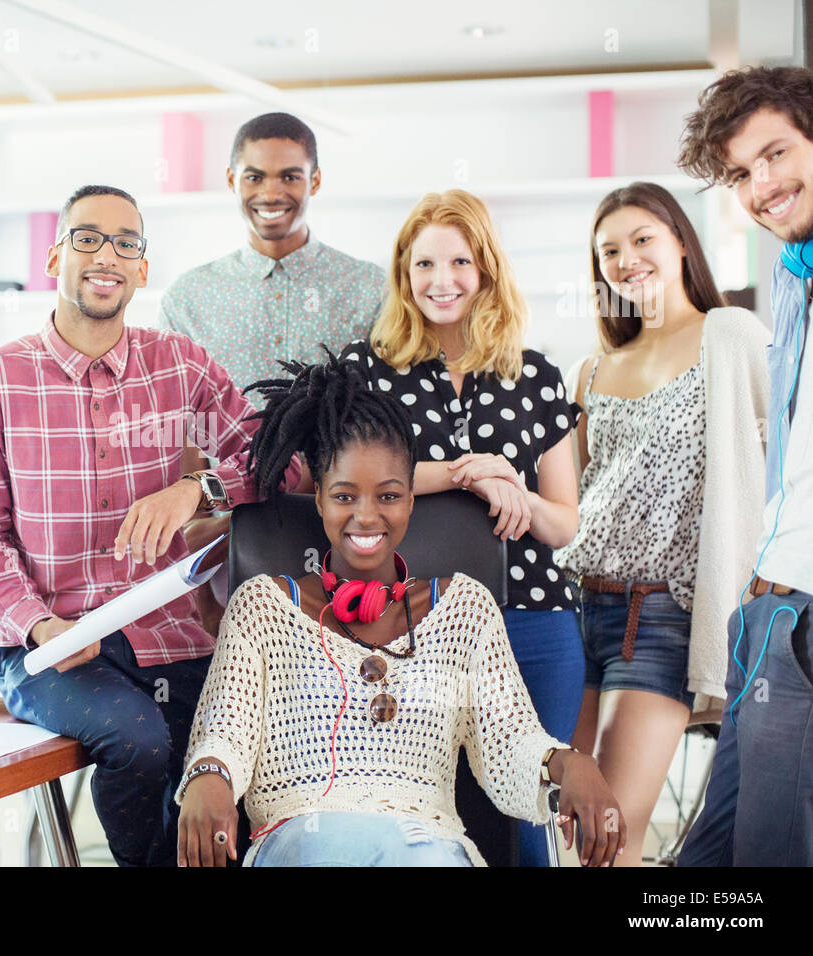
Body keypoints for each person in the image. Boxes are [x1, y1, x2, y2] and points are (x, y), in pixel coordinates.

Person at [0, 184, 298, 867]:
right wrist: (39, 625)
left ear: (141, 268)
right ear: (55, 257)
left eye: (126, 243)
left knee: (243, 752)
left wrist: (197, 490)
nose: (106, 255)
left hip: (168, 640)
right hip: (49, 646)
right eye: (87, 238)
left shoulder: (182, 365)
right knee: (138, 740)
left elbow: (278, 463)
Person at [175, 350, 626, 867]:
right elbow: (224, 731)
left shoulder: (466, 610)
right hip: (302, 841)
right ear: (318, 499)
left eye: (388, 496)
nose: (366, 517)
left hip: (426, 845)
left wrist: (569, 763)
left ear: (411, 499)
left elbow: (511, 744)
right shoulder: (262, 608)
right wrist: (209, 774)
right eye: (345, 496)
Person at [339, 189, 582, 866]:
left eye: (458, 262)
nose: (440, 280)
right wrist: (464, 472)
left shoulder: (536, 375)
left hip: (534, 618)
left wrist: (516, 494)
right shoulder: (367, 370)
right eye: (424, 264)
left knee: (530, 820)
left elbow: (563, 522)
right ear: (404, 273)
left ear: (485, 270)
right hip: (415, 620)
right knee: (430, 819)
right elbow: (352, 481)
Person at [553, 181, 768, 866]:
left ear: (680, 241)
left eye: (642, 239)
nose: (627, 260)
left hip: (659, 616)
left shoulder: (727, 334)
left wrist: (769, 564)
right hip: (574, 607)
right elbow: (571, 497)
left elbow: (792, 444)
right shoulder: (590, 370)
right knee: (561, 826)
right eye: (609, 250)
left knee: (610, 830)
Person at [675, 65, 813, 866]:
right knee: (710, 856)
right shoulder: (792, 279)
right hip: (765, 609)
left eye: (777, 154)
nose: (762, 185)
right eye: (740, 173)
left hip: (803, 614)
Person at [159, 112, 386, 397]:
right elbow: (169, 408)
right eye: (254, 177)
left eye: (290, 177)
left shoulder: (372, 289)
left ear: (315, 181)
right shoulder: (187, 298)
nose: (270, 194)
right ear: (231, 180)